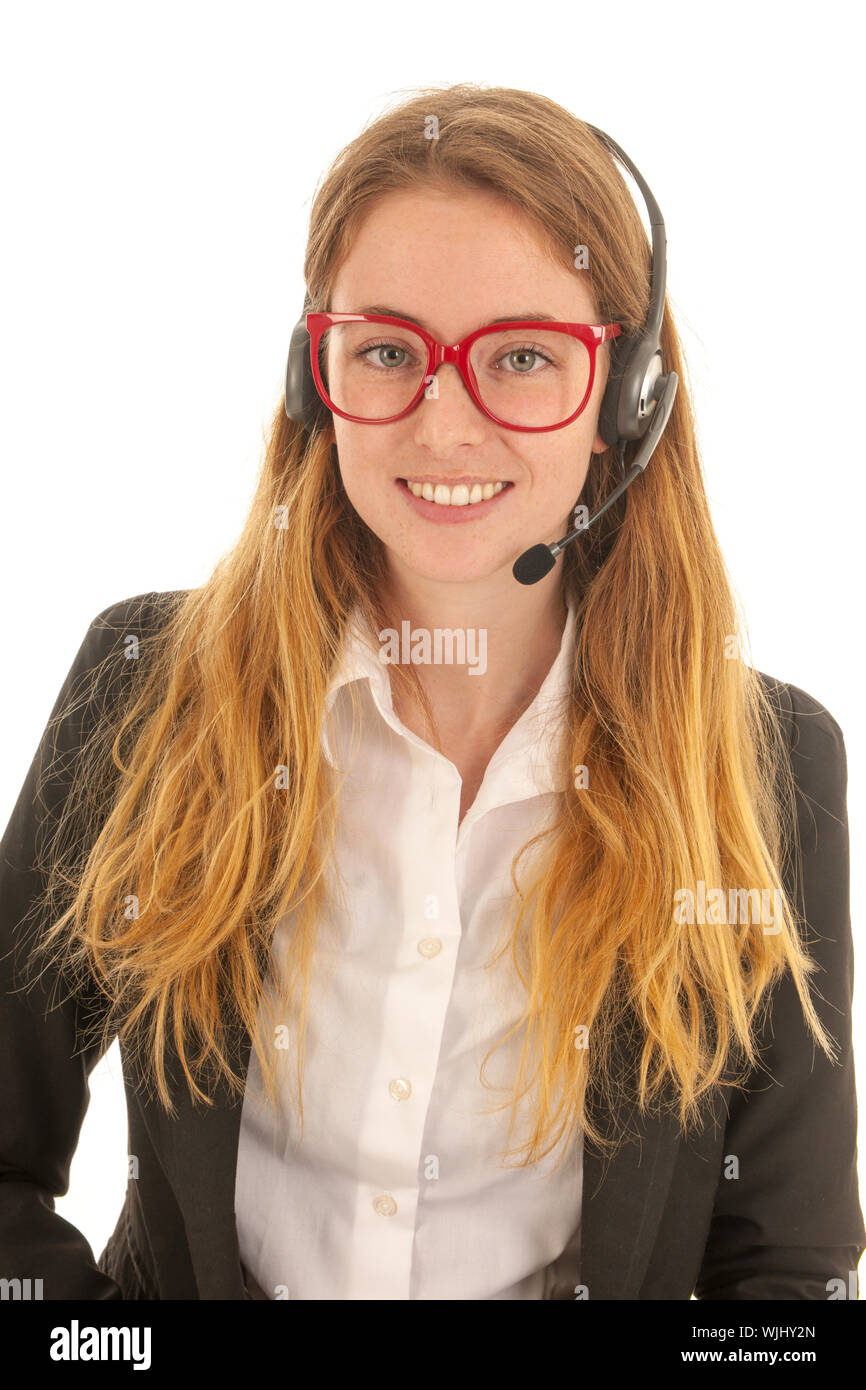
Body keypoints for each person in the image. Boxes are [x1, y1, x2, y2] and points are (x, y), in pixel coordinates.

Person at [1, 84, 863, 1302]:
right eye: (388, 352)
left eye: (520, 356)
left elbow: (784, 1265)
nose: (442, 422)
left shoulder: (769, 768)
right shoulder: (147, 691)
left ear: (628, 399)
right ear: (315, 377)